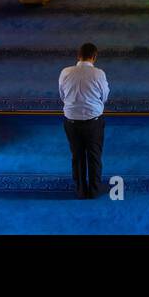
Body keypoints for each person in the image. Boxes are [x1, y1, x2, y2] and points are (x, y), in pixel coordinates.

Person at [59, 43, 109, 199]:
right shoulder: (98, 73)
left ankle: (80, 190)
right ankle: (94, 191)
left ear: (78, 56)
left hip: (71, 121)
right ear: (94, 56)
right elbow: (104, 96)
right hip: (93, 121)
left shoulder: (65, 72)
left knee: (77, 155)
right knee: (94, 155)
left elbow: (62, 95)